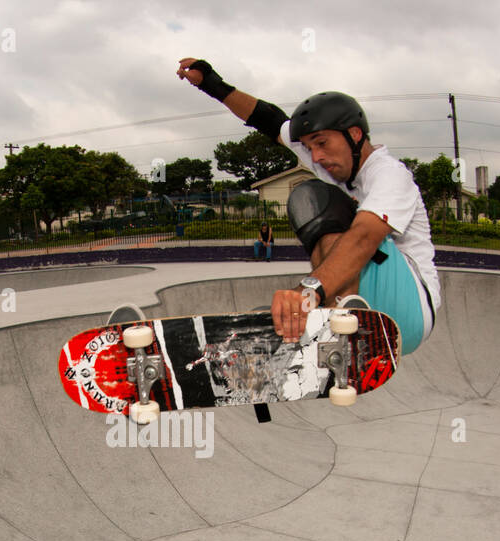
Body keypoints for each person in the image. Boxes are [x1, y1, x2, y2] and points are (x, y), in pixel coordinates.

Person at [177, 58, 440, 354]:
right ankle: (330, 318)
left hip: (409, 310)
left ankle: (335, 319)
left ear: (354, 134)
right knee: (316, 198)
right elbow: (269, 120)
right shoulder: (332, 162)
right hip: (372, 305)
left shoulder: (389, 173)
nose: (315, 157)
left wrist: (306, 293)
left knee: (313, 197)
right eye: (309, 147)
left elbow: (364, 238)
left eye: (322, 144)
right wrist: (212, 84)